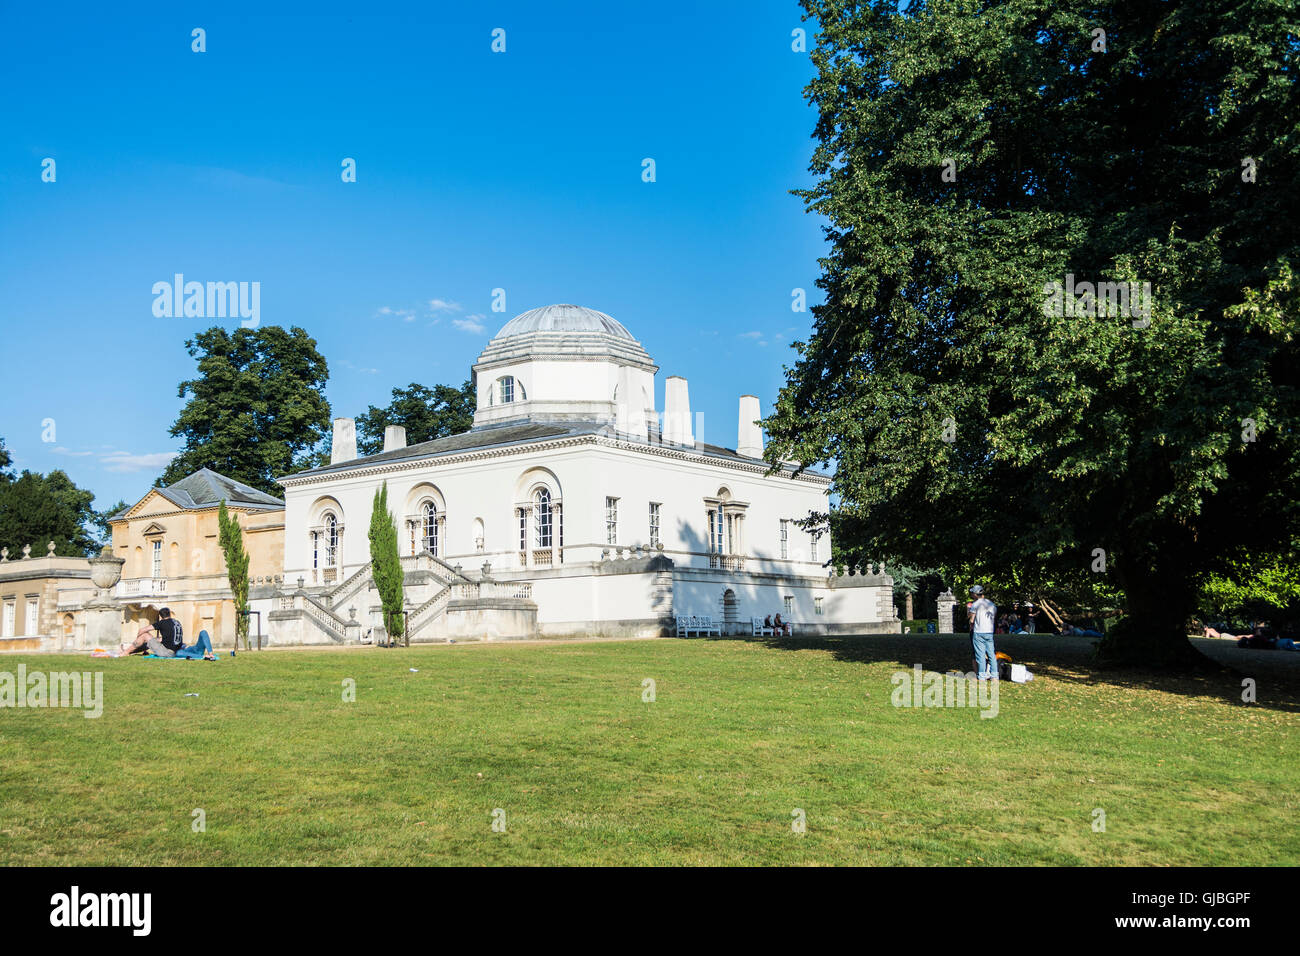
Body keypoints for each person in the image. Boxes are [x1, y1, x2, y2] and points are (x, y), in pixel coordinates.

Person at [968, 585, 997, 680]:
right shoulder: (991, 604)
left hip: (978, 632)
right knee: (991, 654)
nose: (971, 595)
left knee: (980, 655)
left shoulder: (975, 605)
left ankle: (982, 676)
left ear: (976, 594)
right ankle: (994, 676)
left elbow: (972, 620)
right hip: (989, 631)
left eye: (972, 593)